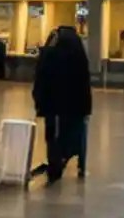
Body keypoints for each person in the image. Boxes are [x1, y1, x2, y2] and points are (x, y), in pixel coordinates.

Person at [32, 25, 91, 184]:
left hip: (51, 104)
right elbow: (84, 84)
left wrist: (39, 102)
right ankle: (71, 159)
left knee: (52, 136)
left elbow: (41, 80)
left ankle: (55, 164)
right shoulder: (78, 54)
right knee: (74, 134)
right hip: (75, 107)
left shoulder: (49, 54)